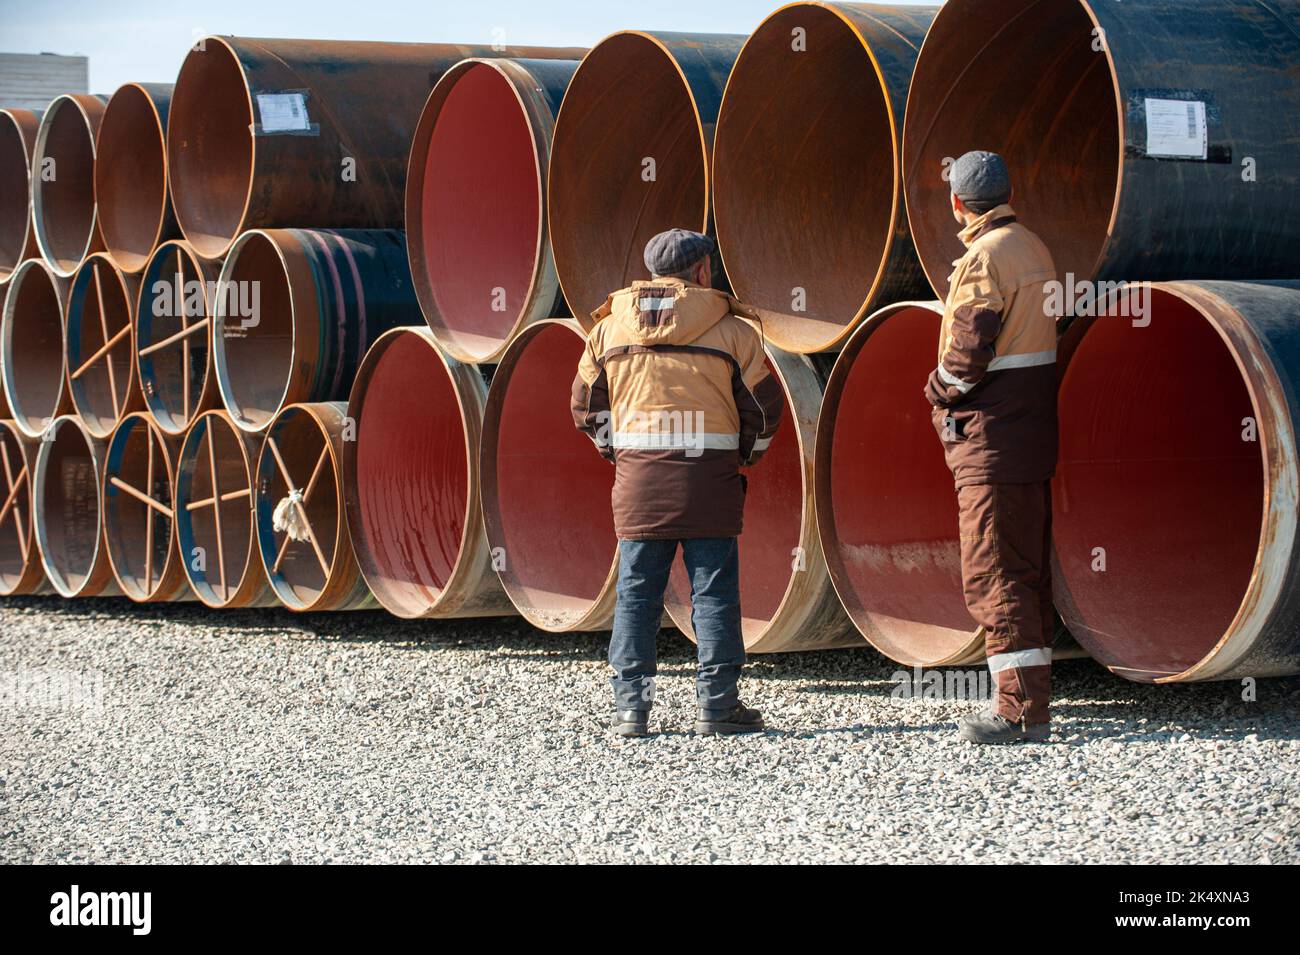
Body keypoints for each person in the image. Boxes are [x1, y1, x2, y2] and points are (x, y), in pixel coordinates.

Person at [571, 228, 784, 738]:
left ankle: (632, 711)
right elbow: (765, 409)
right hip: (709, 477)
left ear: (650, 273)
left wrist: (618, 452)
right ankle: (718, 707)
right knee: (713, 592)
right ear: (703, 272)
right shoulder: (735, 332)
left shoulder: (606, 332)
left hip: (639, 479)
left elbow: (585, 407)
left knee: (636, 594)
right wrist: (743, 456)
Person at [924, 150, 1059, 745]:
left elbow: (970, 348)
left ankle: (1018, 710)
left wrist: (938, 391)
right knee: (1024, 568)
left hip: (991, 435)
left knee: (993, 572)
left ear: (957, 202)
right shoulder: (1032, 246)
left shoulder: (984, 257)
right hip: (1028, 433)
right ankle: (1031, 697)